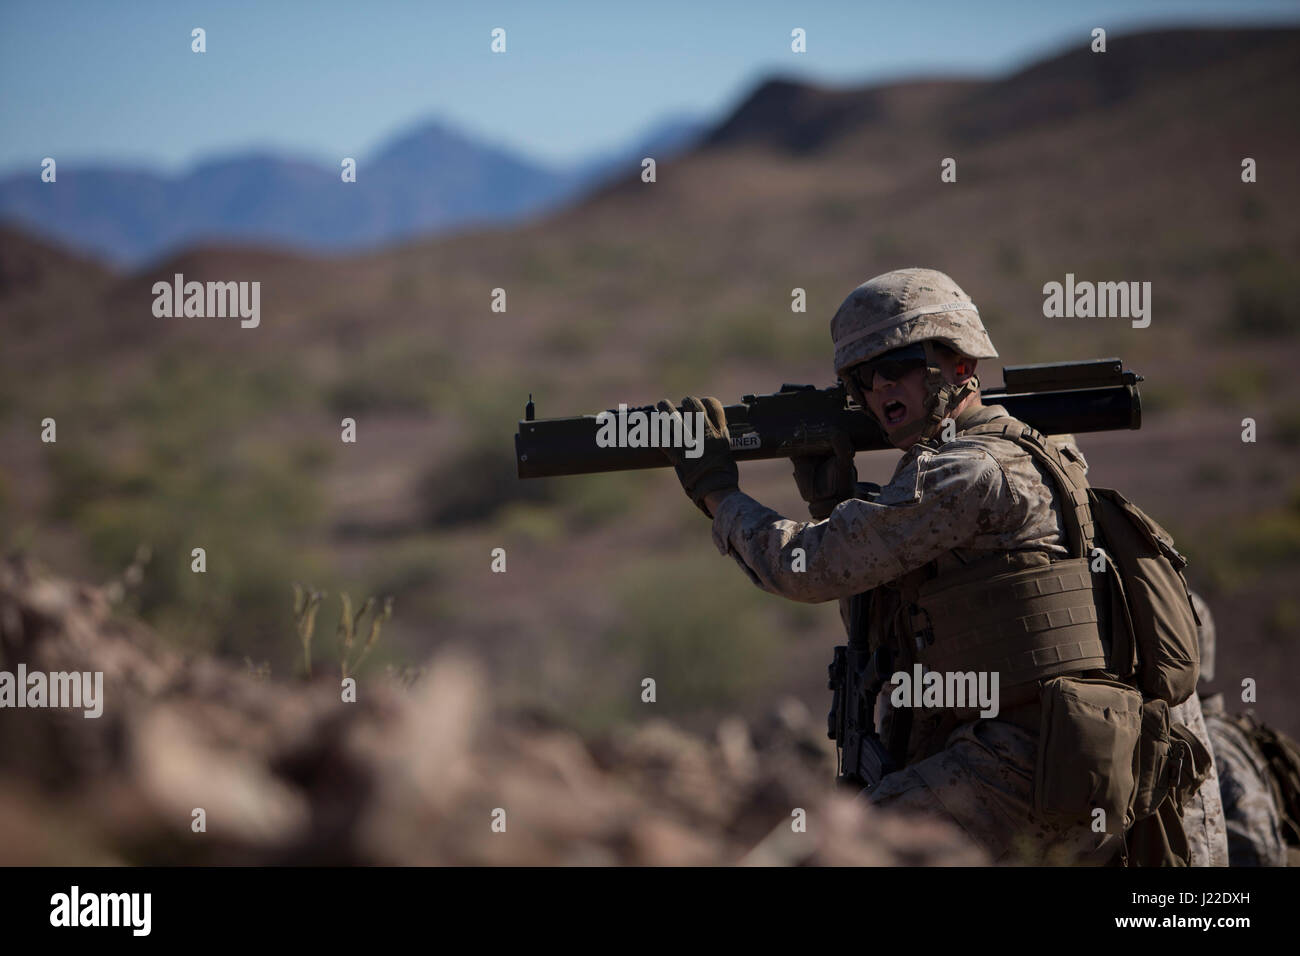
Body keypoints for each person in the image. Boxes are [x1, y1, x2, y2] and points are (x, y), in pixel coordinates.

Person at [656, 267, 1224, 864]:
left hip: (1011, 767)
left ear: (959, 362)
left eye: (896, 364)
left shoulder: (966, 470)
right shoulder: (1040, 449)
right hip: (1067, 762)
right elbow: (892, 622)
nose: (878, 389)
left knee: (815, 856)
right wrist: (831, 500)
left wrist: (715, 490)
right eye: (860, 378)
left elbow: (804, 569)